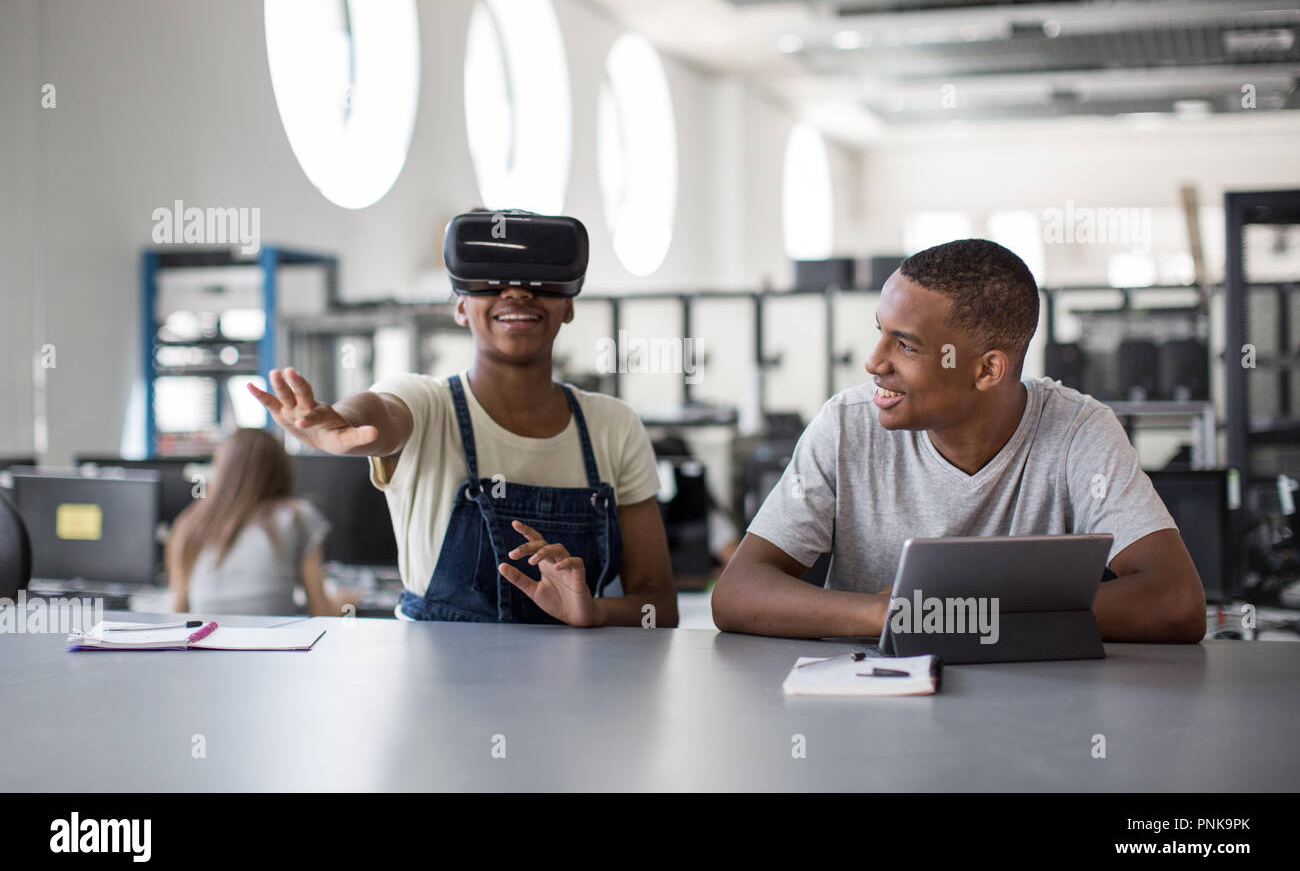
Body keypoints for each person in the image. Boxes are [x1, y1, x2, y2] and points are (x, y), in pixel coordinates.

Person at [712, 238, 1206, 643]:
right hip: (875, 710)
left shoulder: (1079, 431)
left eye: (906, 345)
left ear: (988, 369)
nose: (874, 362)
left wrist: (961, 613)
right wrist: (881, 615)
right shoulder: (845, 425)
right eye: (880, 332)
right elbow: (737, 592)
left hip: (1040, 714)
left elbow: (1175, 601)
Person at [247, 213, 678, 627]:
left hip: (577, 688)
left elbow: (659, 608)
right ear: (459, 306)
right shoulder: (427, 405)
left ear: (568, 305)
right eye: (493, 279)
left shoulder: (615, 426)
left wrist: (596, 612)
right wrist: (339, 420)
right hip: (434, 693)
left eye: (539, 279)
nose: (517, 292)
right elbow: (381, 411)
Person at [166, 428, 354, 617]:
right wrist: (344, 602)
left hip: (208, 643)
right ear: (280, 468)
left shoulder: (191, 522)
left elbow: (178, 610)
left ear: (221, 469)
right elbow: (320, 611)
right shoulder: (296, 516)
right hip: (273, 643)